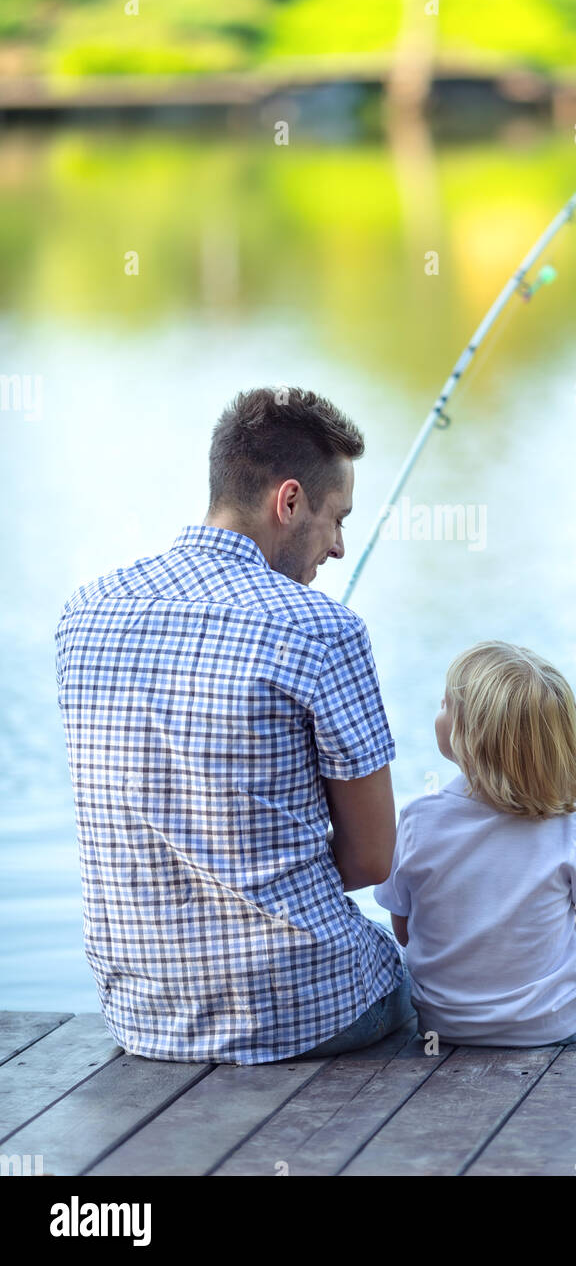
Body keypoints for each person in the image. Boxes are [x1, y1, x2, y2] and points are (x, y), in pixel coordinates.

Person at [54, 386, 413, 1065]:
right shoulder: (323, 629)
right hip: (305, 1007)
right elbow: (372, 858)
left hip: (142, 1015)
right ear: (288, 502)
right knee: (433, 988)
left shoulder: (84, 613)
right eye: (337, 518)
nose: (338, 547)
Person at [374, 641, 576, 1046]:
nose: (439, 709)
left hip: (445, 1027)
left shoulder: (417, 820)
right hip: (551, 1026)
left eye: (446, 704)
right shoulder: (569, 828)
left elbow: (404, 930)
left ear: (467, 735)